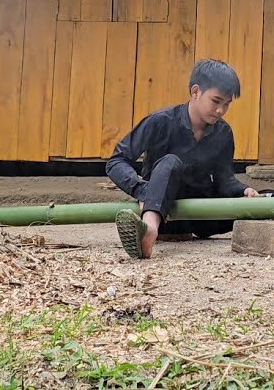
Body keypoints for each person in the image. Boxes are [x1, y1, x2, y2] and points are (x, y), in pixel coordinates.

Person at [106, 59, 258, 259]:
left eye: (226, 104)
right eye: (216, 101)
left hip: (202, 217)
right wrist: (142, 190)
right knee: (171, 162)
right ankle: (148, 231)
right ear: (196, 92)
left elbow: (224, 180)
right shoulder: (160, 121)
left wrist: (243, 190)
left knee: (270, 199)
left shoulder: (224, 132)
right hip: (163, 215)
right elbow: (116, 161)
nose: (221, 110)